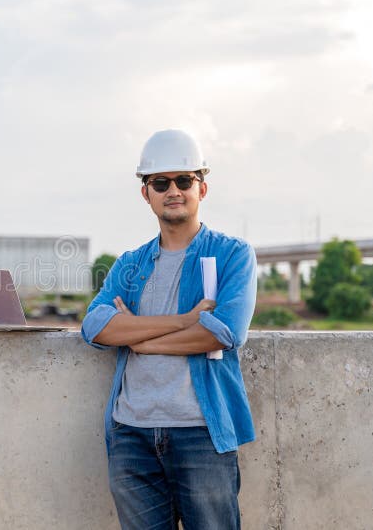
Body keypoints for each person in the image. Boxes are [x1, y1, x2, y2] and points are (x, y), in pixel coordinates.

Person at [81, 129, 257, 529]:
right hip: (132, 436)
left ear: (202, 188)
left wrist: (139, 339)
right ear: (147, 193)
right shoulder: (131, 263)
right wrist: (185, 320)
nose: (172, 190)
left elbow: (224, 333)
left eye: (184, 180)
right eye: (160, 183)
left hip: (201, 434)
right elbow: (95, 326)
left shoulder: (232, 254)